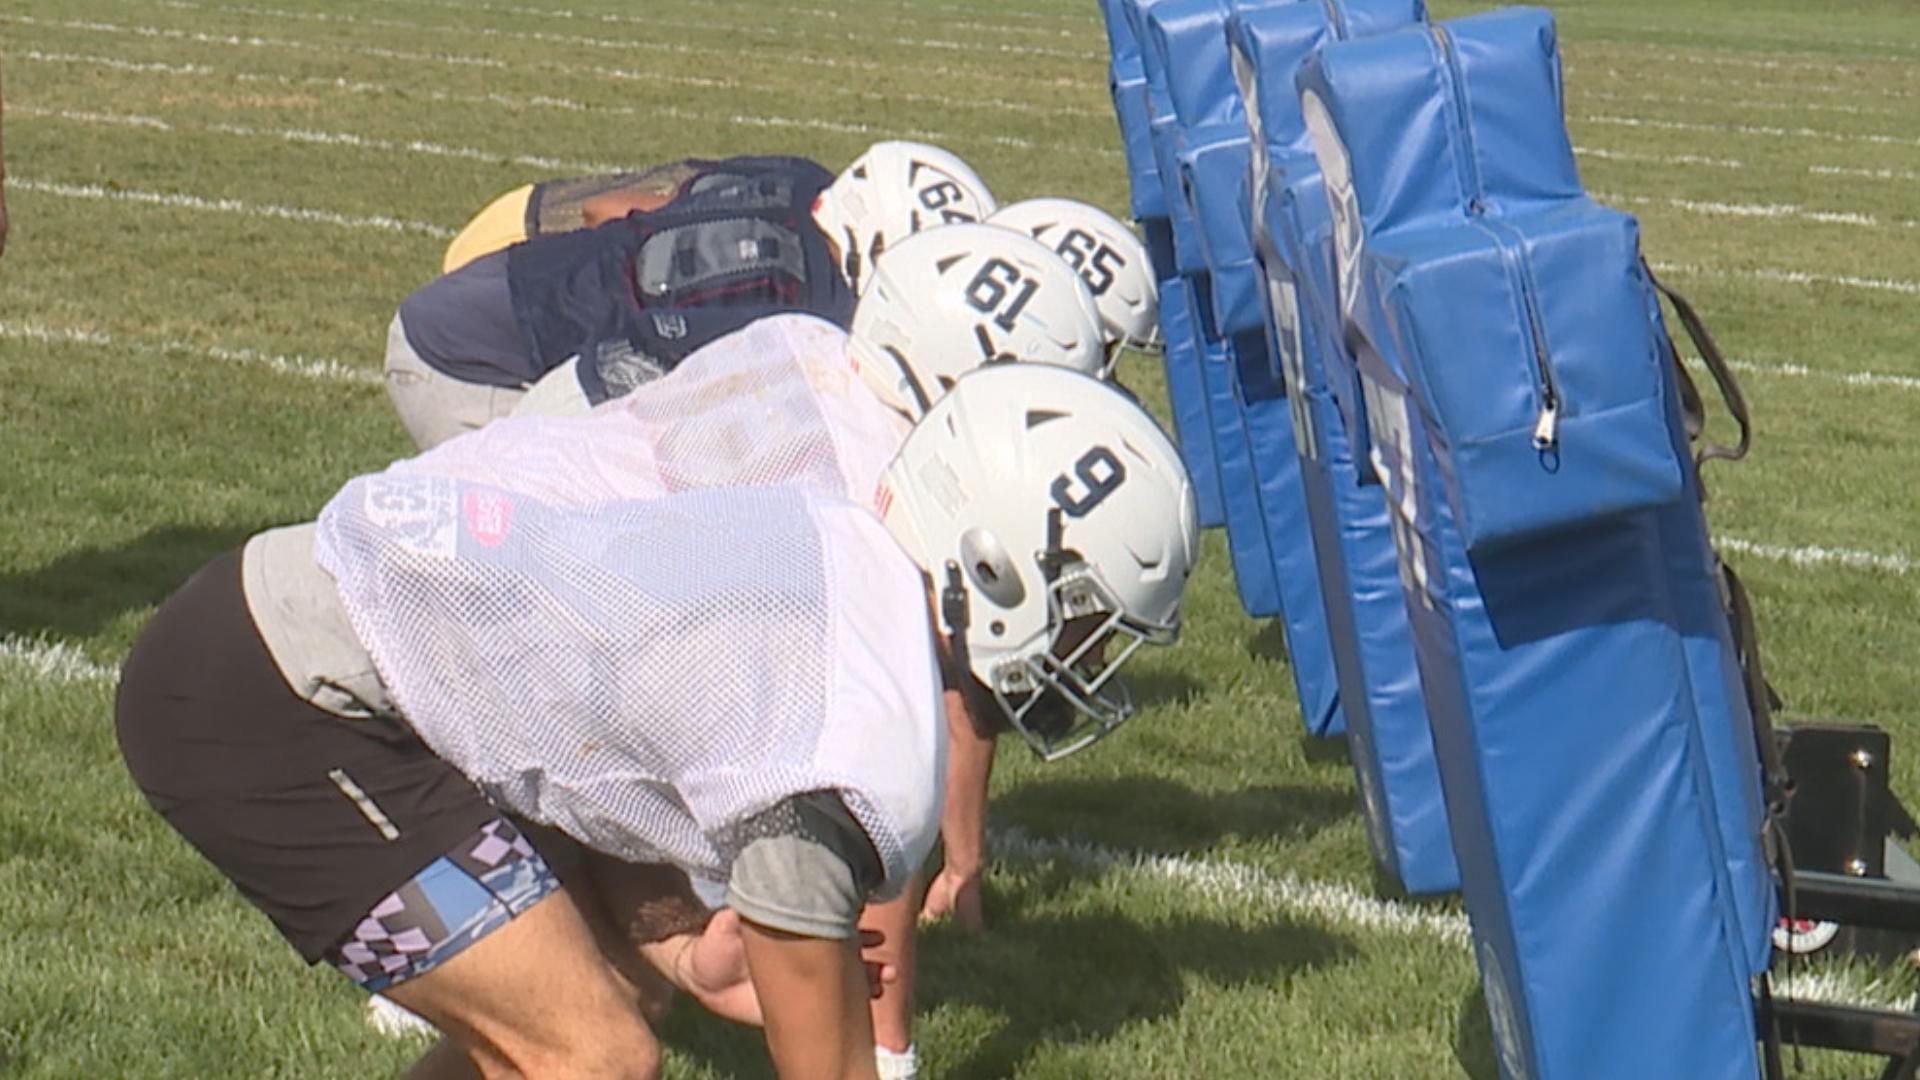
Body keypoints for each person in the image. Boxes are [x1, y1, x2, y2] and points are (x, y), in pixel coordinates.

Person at [115, 335, 1198, 1076]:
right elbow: (795, 916)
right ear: (995, 568)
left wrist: (680, 951)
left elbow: (629, 717)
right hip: (285, 691)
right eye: (1086, 623)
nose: (1088, 664)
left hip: (366, 656)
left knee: (615, 1008)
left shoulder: (840, 556)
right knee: (592, 1056)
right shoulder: (866, 701)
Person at [386, 142, 996, 450]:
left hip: (487, 291)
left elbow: (608, 210)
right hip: (472, 366)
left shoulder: (803, 182)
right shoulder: (802, 303)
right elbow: (587, 398)